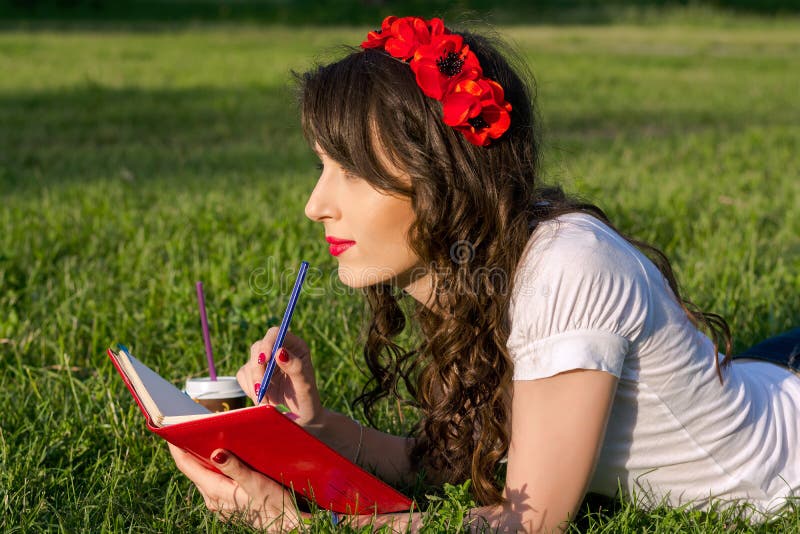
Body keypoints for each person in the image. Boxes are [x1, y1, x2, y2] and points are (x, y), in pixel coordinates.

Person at [168, 15, 800, 532]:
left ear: (443, 178)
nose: (315, 204)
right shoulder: (477, 264)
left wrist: (294, 526)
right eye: (322, 166)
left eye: (353, 173)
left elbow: (525, 526)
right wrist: (315, 430)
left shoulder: (565, 269)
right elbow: (449, 462)